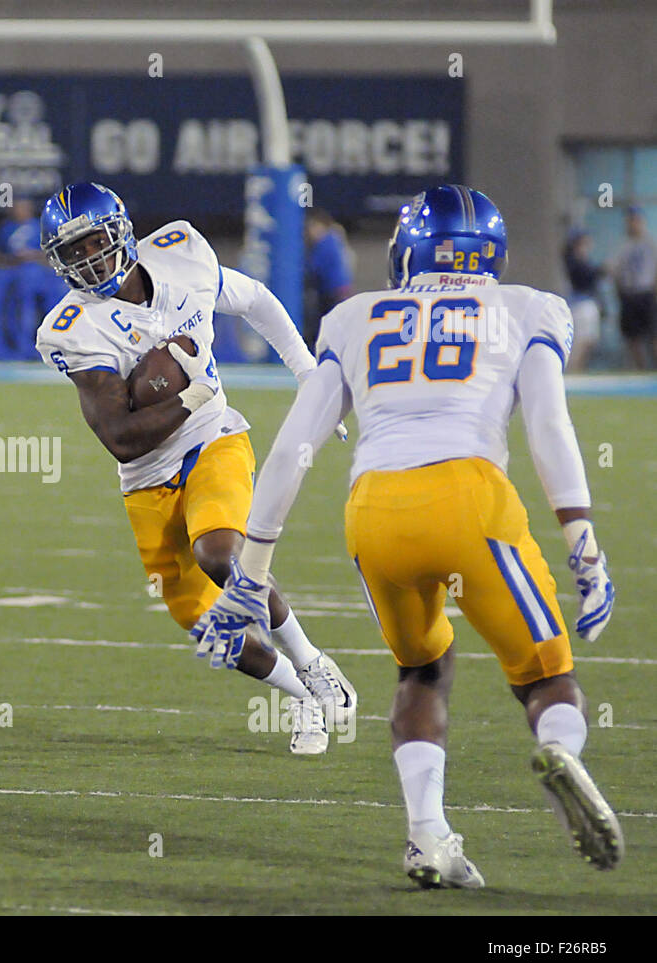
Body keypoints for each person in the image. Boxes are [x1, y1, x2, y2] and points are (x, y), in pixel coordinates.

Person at [193, 185, 621, 887]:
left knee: (422, 669)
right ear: (494, 254)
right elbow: (547, 425)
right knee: (547, 677)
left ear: (404, 252)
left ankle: (427, 836)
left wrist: (250, 571)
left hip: (373, 511)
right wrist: (580, 535)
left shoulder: (356, 316)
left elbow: (293, 447)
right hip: (467, 498)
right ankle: (559, 751)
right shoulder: (528, 306)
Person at [34, 182, 356, 756]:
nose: (86, 259)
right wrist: (190, 395)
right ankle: (299, 695)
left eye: (92, 243)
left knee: (219, 555)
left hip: (215, 443)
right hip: (147, 478)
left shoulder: (182, 254)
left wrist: (310, 376)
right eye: (72, 252)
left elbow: (255, 299)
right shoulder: (73, 328)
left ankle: (314, 661)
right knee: (206, 626)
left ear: (121, 232)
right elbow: (121, 441)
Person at [612, 206, 657, 370]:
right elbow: (616, 271)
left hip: (646, 293)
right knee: (633, 337)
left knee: (653, 335)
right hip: (630, 295)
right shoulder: (623, 246)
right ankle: (641, 370)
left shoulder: (650, 244)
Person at [303, 208, 354, 347]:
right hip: (337, 289)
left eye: (314, 226)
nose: (310, 231)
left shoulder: (326, 243)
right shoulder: (334, 239)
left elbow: (315, 268)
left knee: (329, 326)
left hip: (333, 292)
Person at [562, 228, 604, 372]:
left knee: (589, 340)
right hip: (580, 304)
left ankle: (577, 368)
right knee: (582, 341)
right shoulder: (574, 261)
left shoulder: (582, 260)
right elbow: (588, 275)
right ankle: (573, 369)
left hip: (587, 302)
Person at [0, 199, 43, 265]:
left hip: (37, 267)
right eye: (18, 208)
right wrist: (12, 258)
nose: (21, 211)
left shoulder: (40, 227)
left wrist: (33, 255)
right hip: (11, 267)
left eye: (24, 208)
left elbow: (49, 252)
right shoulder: (6, 228)